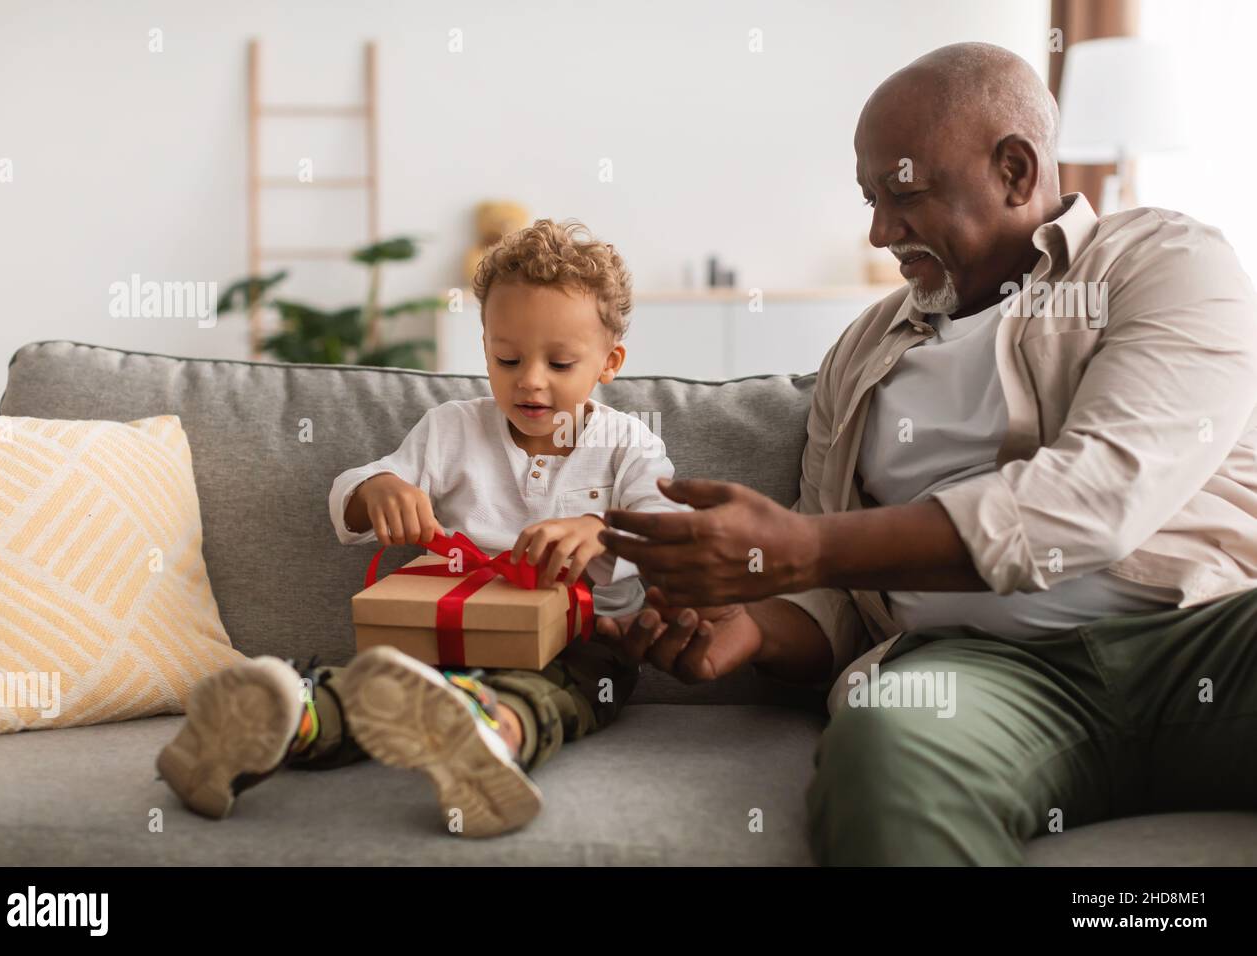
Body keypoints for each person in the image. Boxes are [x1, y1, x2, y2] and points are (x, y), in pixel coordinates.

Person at [598, 42, 1257, 865]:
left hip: (1203, 639)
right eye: (870, 199)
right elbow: (834, 592)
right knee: (885, 753)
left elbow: (1097, 496)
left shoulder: (1161, 262)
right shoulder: (861, 352)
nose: (879, 232)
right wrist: (754, 630)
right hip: (978, 680)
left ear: (1015, 171)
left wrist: (801, 550)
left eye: (903, 193)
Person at [158, 219, 679, 837]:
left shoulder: (627, 444)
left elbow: (673, 531)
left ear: (609, 362)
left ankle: (487, 738)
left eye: (560, 362)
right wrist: (378, 491)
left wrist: (602, 530)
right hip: (446, 638)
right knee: (376, 686)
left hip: (580, 646)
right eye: (506, 358)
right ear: (484, 345)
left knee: (551, 694)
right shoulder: (453, 430)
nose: (530, 379)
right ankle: (275, 720)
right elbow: (351, 497)